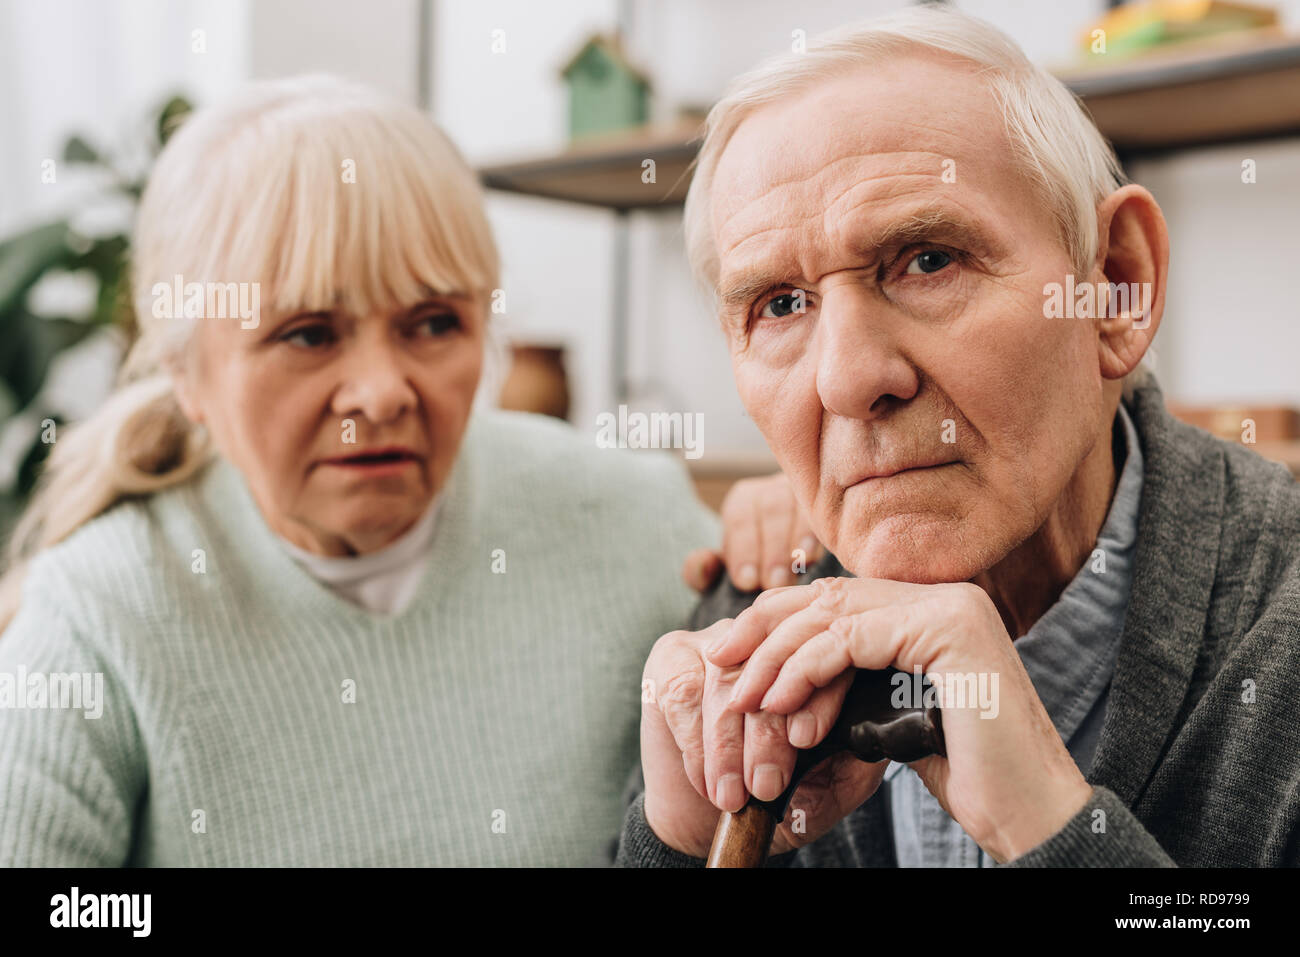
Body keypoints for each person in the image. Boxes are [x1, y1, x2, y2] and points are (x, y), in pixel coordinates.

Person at [0, 74, 802, 866]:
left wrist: (799, 546)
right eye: (309, 333)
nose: (383, 393)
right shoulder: (94, 619)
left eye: (433, 322)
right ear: (188, 373)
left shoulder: (631, 516)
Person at [616, 6, 1300, 867]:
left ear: (1116, 286)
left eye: (927, 259)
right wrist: (679, 847)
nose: (847, 380)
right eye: (781, 304)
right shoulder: (740, 636)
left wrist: (1050, 827)